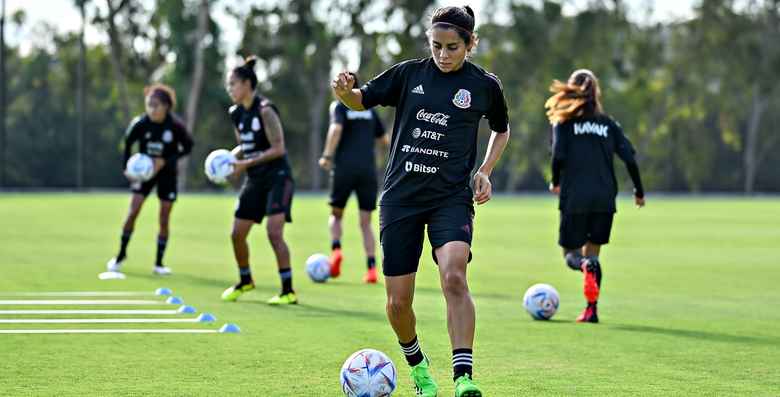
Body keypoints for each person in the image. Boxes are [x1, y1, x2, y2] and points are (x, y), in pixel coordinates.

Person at [332, 6, 509, 397]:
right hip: (401, 200)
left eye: (452, 47)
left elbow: (501, 128)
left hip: (451, 198)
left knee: (454, 276)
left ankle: (464, 376)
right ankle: (418, 367)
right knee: (398, 303)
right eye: (436, 46)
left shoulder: (484, 86)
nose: (443, 55)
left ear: (469, 45)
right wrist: (345, 94)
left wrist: (485, 169)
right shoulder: (409, 74)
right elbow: (362, 99)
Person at [545, 69, 646, 323]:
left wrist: (555, 181)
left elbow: (558, 154)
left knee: (571, 254)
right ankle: (591, 310)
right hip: (604, 198)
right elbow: (630, 158)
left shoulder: (563, 122)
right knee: (593, 253)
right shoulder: (608, 124)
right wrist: (639, 191)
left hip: (575, 197)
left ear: (570, 89)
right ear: (595, 92)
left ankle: (583, 266)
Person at [220, 56, 297, 305]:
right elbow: (244, 145)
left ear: (246, 84)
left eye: (233, 84)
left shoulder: (265, 110)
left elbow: (278, 148)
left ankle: (287, 290)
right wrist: (228, 160)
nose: (229, 88)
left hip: (278, 177)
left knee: (274, 232)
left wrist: (244, 164)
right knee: (236, 234)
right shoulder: (235, 113)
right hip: (255, 178)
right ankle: (245, 280)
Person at [106, 84, 193, 276]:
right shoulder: (141, 123)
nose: (151, 109)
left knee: (164, 218)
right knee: (132, 211)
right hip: (144, 173)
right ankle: (120, 255)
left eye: (156, 105)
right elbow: (128, 142)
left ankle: (159, 263)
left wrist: (165, 161)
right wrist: (127, 169)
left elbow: (188, 147)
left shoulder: (176, 126)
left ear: (166, 107)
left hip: (167, 174)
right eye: (149, 105)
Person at [319, 72, 389, 284]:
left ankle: (336, 250)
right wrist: (375, 158)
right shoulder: (369, 110)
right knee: (366, 223)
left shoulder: (339, 106)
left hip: (344, 169)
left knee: (336, 214)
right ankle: (371, 269)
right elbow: (385, 141)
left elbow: (336, 129)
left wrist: (327, 155)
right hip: (367, 170)